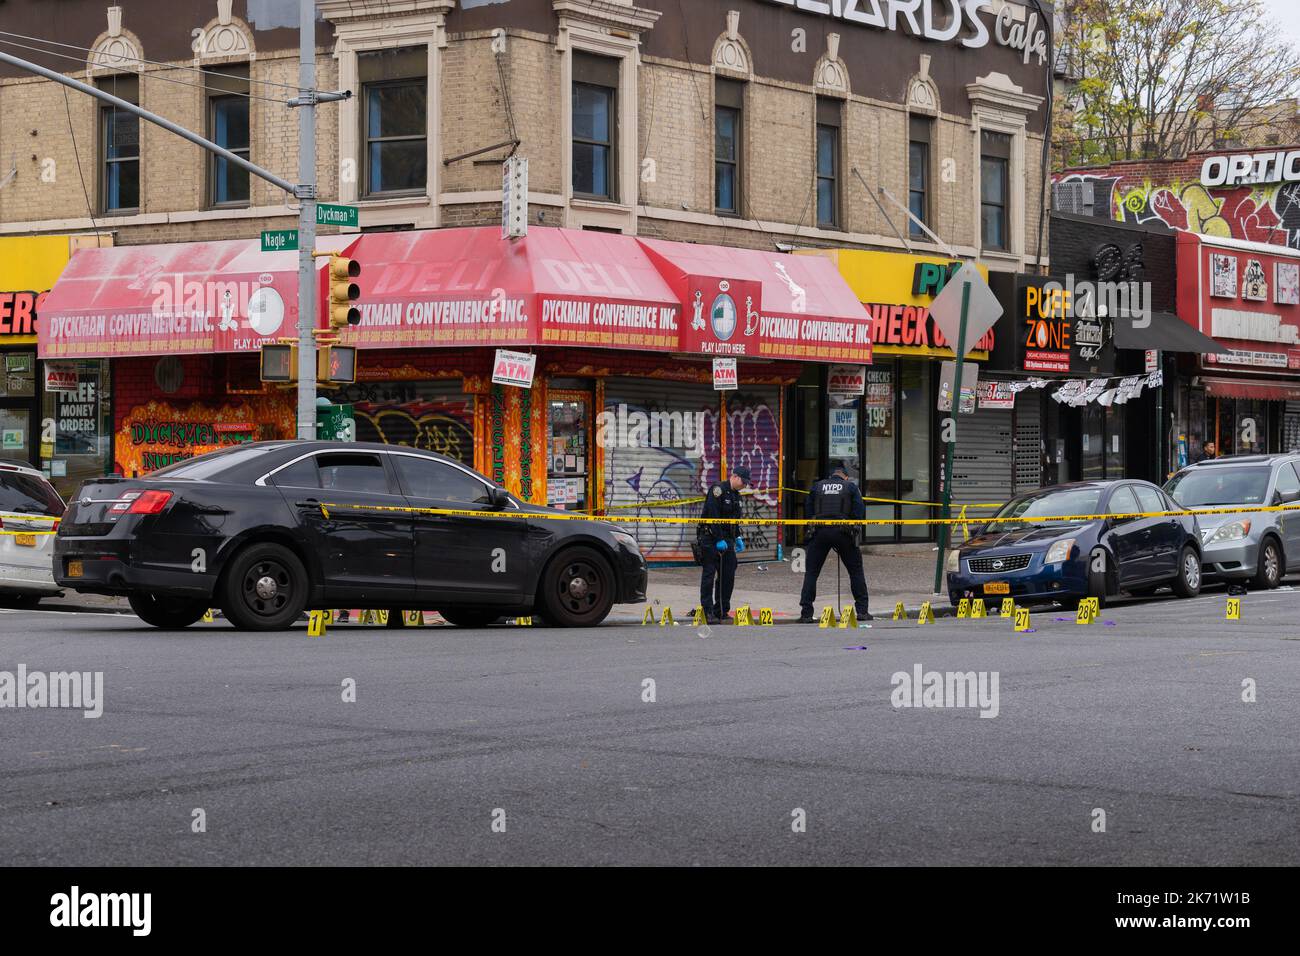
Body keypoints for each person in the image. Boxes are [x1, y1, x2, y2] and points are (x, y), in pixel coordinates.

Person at [798, 460, 871, 623]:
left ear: (831, 475)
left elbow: (808, 510)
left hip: (819, 531)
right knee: (856, 571)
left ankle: (806, 613)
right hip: (843, 531)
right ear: (845, 476)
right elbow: (859, 511)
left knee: (811, 573)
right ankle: (862, 611)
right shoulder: (850, 487)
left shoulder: (817, 486)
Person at [698, 466, 750, 625]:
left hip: (727, 540)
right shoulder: (718, 490)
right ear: (734, 476)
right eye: (743, 481)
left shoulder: (736, 496)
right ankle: (707, 612)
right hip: (710, 538)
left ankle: (721, 610)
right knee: (709, 574)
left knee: (728, 574)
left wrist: (738, 537)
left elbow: (734, 520)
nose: (745, 485)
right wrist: (718, 538)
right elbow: (713, 515)